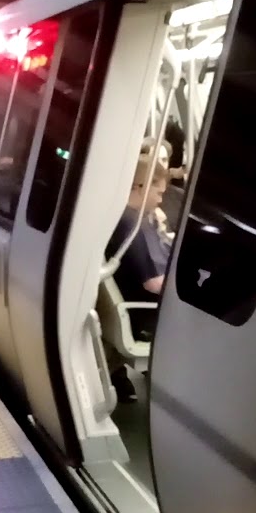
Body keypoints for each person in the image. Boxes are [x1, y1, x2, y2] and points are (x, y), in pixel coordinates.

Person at [103, 156, 171, 402]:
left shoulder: (121, 216)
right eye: (159, 192)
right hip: (143, 315)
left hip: (130, 305)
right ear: (140, 186)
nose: (160, 200)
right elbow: (153, 283)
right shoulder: (133, 225)